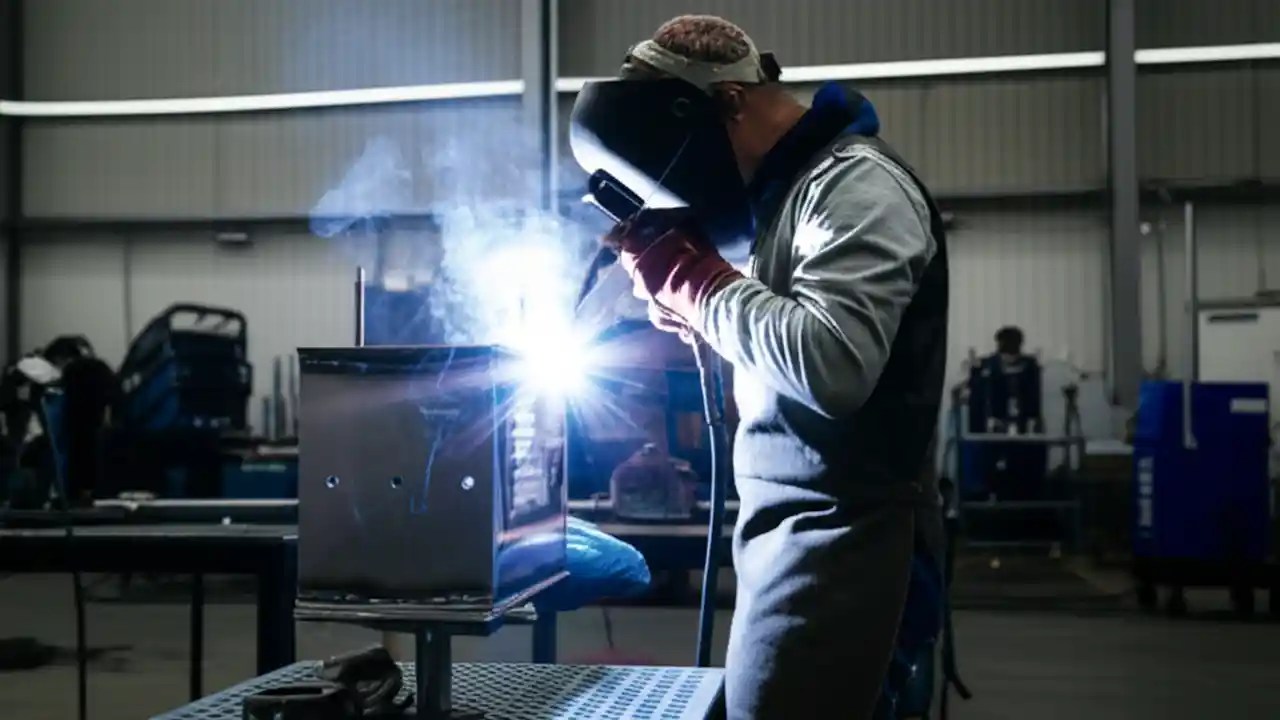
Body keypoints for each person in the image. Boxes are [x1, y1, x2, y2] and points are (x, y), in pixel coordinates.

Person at [571, 15, 950, 719]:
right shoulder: (786, 204)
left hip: (854, 554)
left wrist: (699, 285)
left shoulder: (855, 188)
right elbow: (779, 345)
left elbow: (832, 364)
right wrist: (702, 308)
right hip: (791, 545)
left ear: (730, 103)